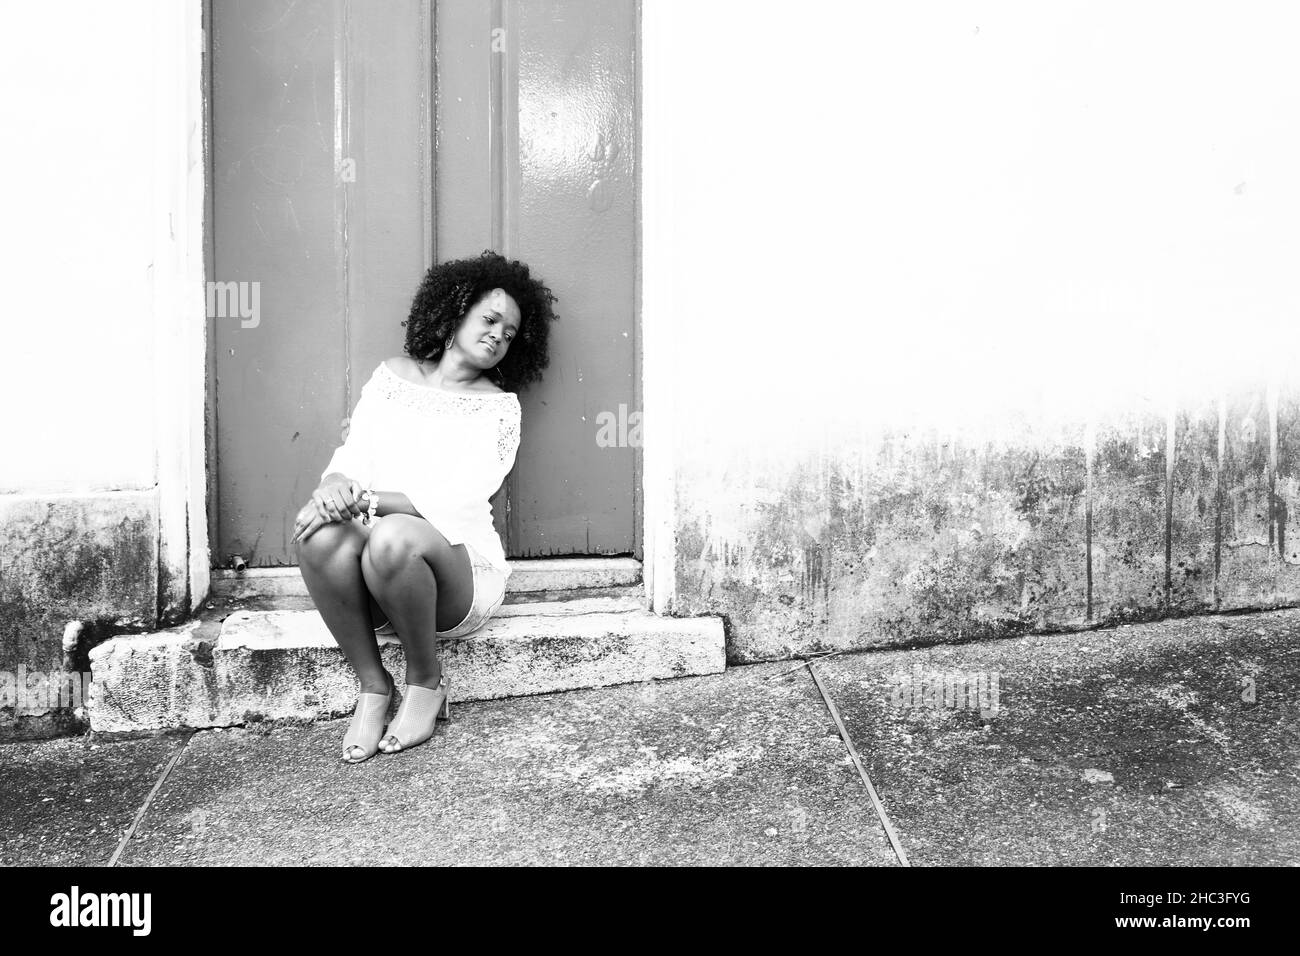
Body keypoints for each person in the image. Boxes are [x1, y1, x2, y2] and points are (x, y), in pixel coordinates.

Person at [293, 250, 557, 763]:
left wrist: (365, 500)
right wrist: (336, 484)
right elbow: (355, 453)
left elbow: (456, 501)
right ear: (457, 309)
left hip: (454, 574)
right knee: (319, 533)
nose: (498, 335)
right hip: (376, 571)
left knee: (394, 534)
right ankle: (373, 687)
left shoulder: (499, 409)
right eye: (490, 319)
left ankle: (425, 683)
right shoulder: (391, 377)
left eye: (509, 333)